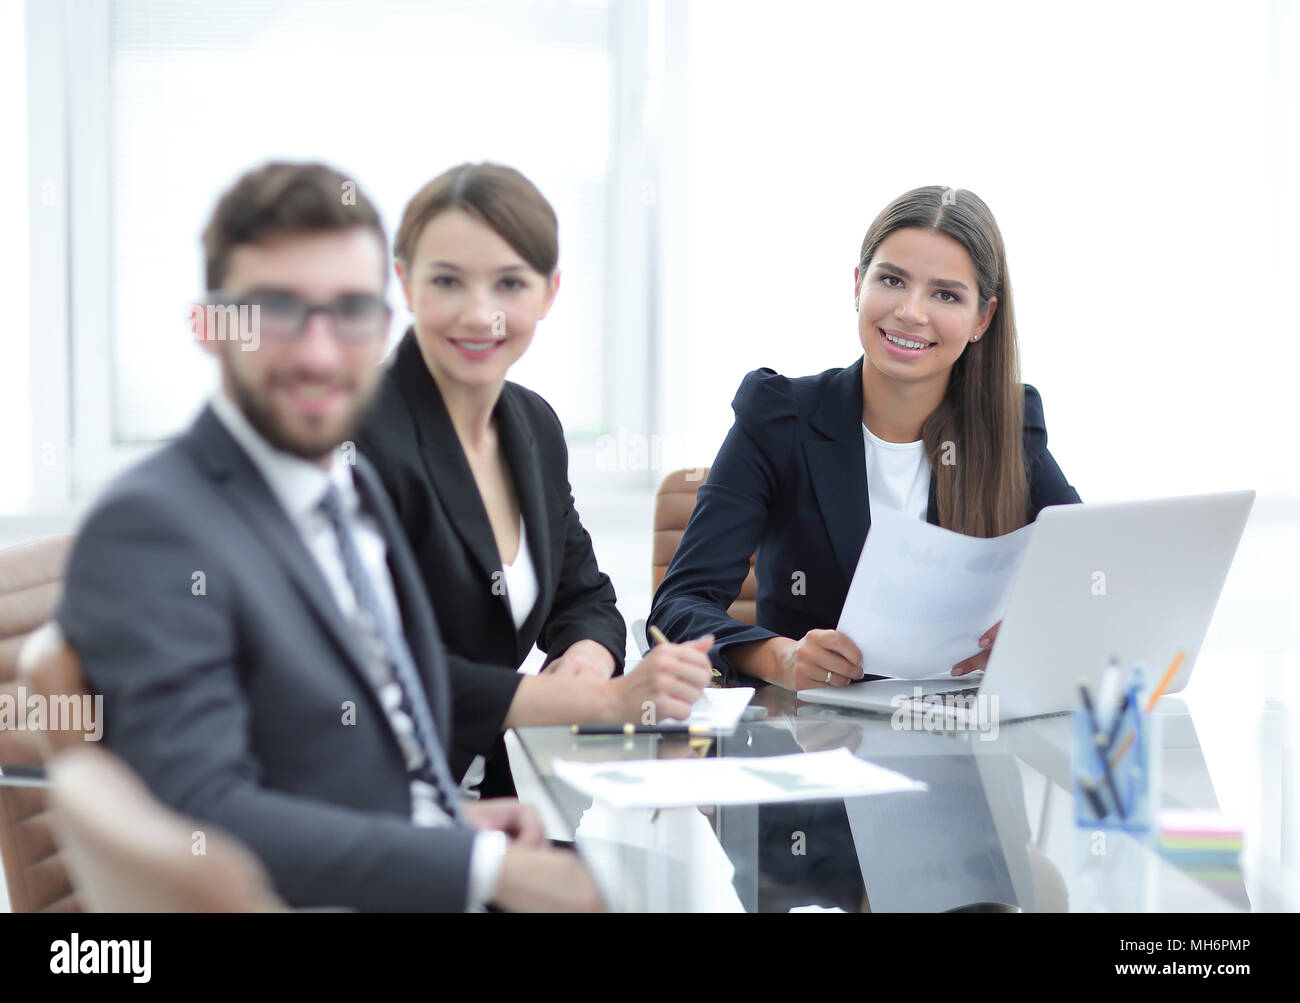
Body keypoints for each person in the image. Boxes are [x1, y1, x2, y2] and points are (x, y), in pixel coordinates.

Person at [54, 161, 708, 911]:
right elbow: (207, 818)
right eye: (276, 311)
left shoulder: (339, 485)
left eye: (350, 312)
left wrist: (452, 822)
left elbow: (348, 745)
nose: (320, 353)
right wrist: (481, 869)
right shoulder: (155, 525)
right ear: (209, 324)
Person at [648, 185, 1081, 691]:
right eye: (893, 280)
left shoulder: (1008, 425)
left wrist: (1035, 630)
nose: (911, 312)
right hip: (815, 740)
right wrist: (779, 658)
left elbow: (1089, 575)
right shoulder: (779, 418)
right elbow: (678, 608)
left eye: (945, 294)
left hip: (970, 738)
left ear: (982, 318)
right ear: (858, 285)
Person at [356, 163, 700, 796]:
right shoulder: (356, 436)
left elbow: (585, 598)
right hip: (370, 798)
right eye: (447, 282)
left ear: (549, 292)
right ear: (404, 285)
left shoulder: (531, 425)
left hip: (495, 793)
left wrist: (588, 659)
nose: (480, 314)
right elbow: (381, 666)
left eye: (510, 283)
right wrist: (601, 703)